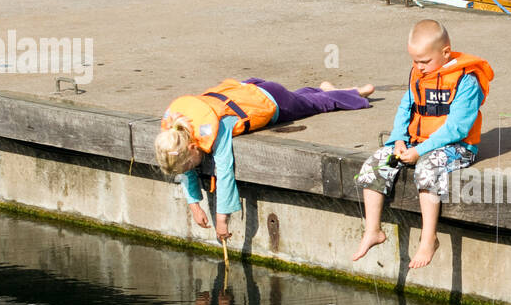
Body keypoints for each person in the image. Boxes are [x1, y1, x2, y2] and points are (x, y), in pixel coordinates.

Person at [155, 77, 374, 241]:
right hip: (249, 88)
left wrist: (222, 218)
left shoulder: (216, 129)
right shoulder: (179, 133)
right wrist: (194, 205)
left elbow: (224, 172)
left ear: (193, 148)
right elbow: (187, 171)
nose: (190, 170)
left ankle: (354, 94)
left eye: (188, 166)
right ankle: (326, 90)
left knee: (317, 105)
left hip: (272, 98)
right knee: (302, 100)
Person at [352, 19, 494, 269]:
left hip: (458, 147)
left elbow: (457, 127)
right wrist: (398, 139)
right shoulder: (418, 73)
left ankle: (429, 239)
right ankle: (372, 230)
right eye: (415, 61)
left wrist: (420, 151)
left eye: (425, 61)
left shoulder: (465, 80)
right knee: (374, 165)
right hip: (417, 142)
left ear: (445, 52)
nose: (419, 67)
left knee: (426, 169)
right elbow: (406, 107)